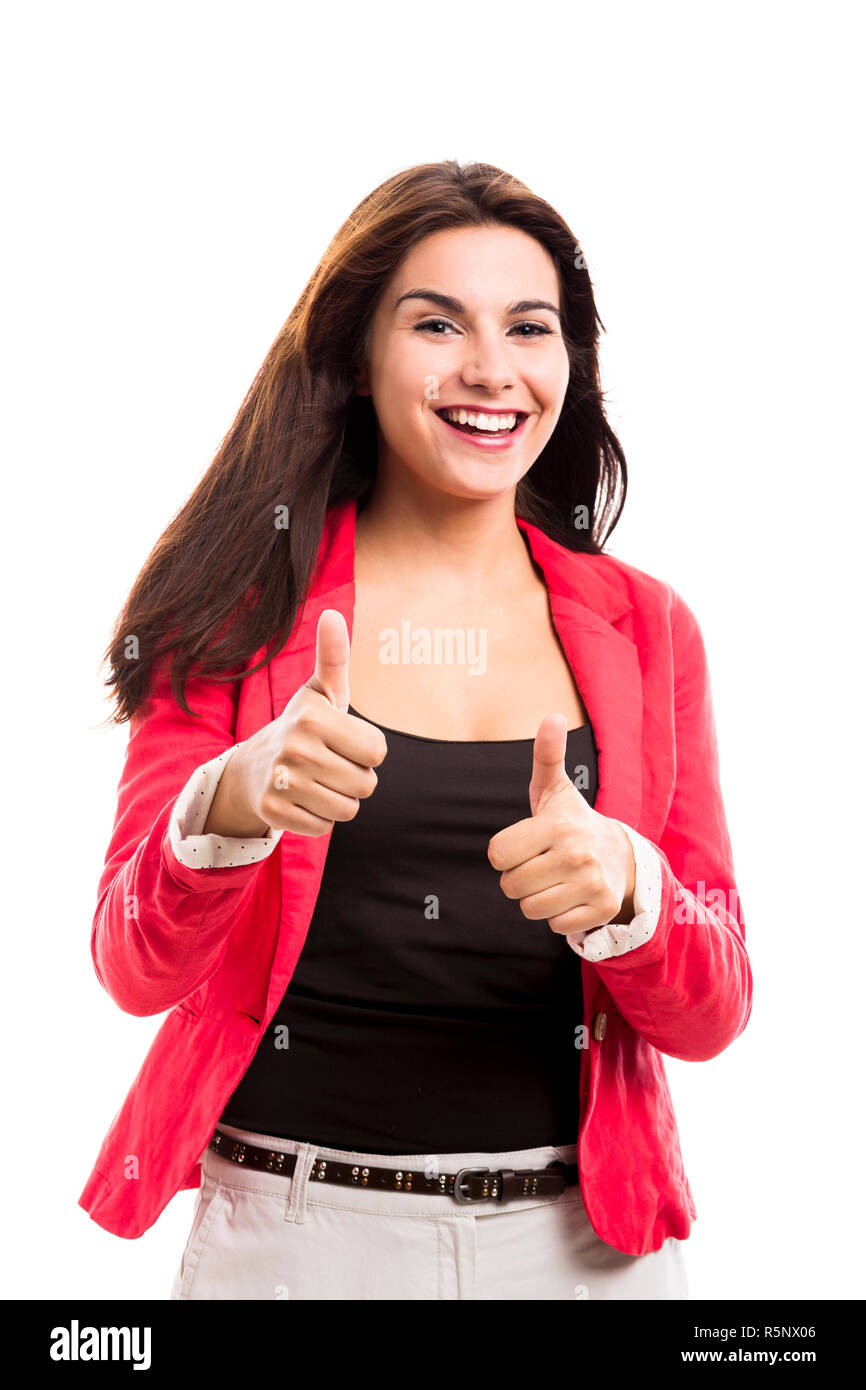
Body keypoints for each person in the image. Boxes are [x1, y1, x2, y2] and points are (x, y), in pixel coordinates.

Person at [78, 159, 752, 1301]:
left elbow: (713, 1005)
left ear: (567, 364)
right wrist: (229, 806)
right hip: (294, 1243)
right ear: (353, 355)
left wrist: (630, 892)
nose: (490, 369)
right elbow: (132, 965)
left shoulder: (646, 628)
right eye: (436, 323)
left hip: (587, 1257)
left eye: (528, 327)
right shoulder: (236, 613)